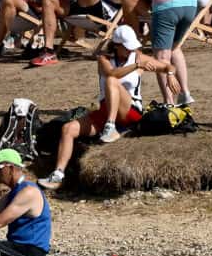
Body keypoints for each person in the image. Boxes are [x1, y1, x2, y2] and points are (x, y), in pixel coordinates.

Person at [38, 26, 175, 190]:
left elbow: (167, 66)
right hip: (106, 110)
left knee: (112, 82)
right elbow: (112, 72)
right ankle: (58, 174)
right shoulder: (104, 59)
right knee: (68, 129)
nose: (132, 49)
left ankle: (110, 127)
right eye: (128, 46)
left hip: (130, 112)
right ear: (117, 45)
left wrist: (171, 75)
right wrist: (136, 66)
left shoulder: (138, 56)